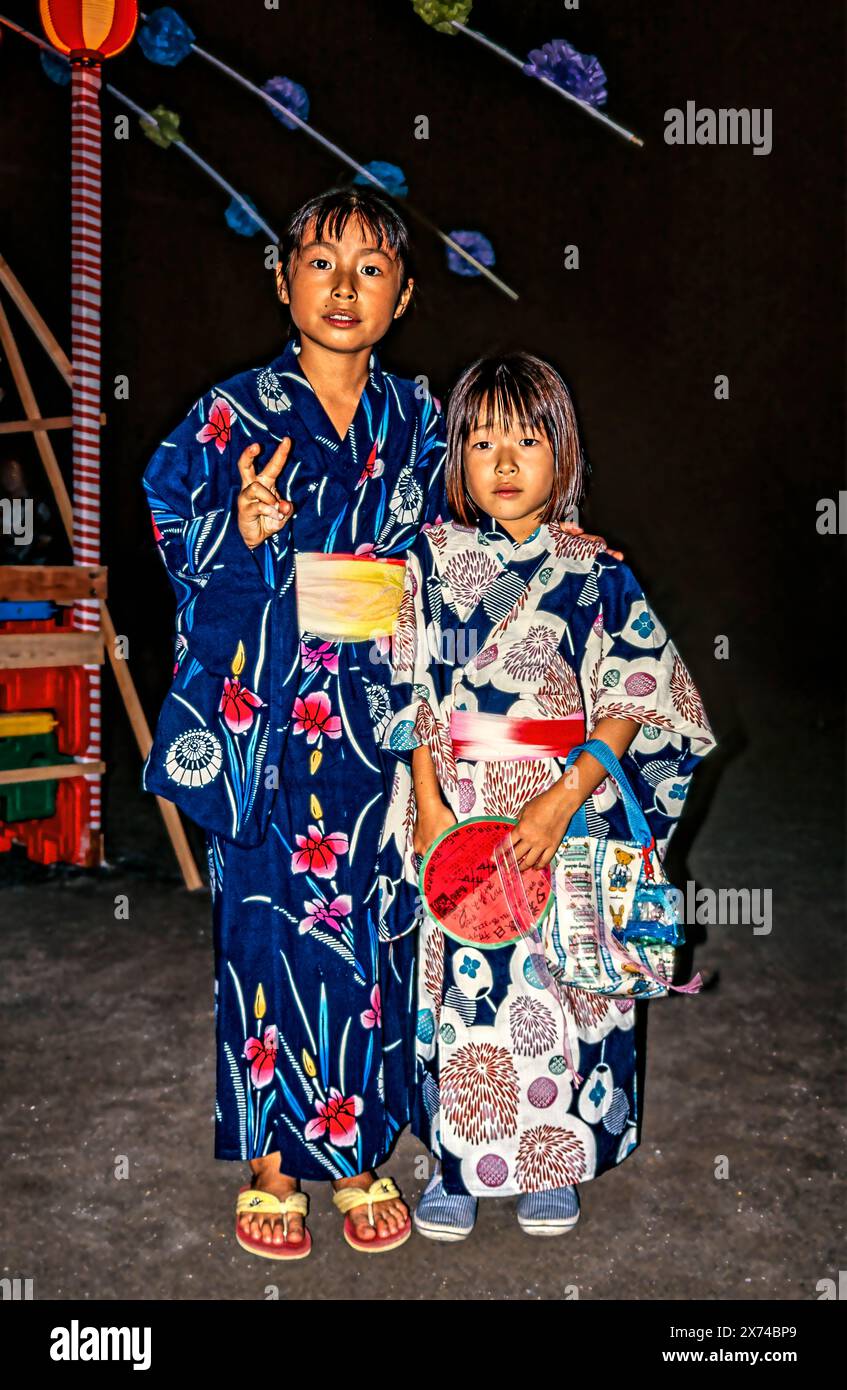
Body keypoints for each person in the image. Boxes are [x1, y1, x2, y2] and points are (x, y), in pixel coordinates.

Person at [142, 187, 616, 1259]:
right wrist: (242, 527)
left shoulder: (415, 418)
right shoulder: (229, 414)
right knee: (264, 932)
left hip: (385, 717)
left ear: (403, 296)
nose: (344, 286)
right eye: (321, 264)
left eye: (371, 269)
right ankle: (273, 1162)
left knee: (372, 930)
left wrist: (573, 555)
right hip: (264, 715)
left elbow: (485, 528)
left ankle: (354, 1154)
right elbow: (173, 514)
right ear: (282, 279)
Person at [379, 352, 716, 1240]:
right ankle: (455, 1162)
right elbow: (409, 694)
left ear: (560, 455)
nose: (501, 462)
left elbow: (635, 696)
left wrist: (565, 798)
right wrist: (427, 805)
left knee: (562, 982)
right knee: (461, 987)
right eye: (481, 441)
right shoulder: (429, 563)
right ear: (456, 456)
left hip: (560, 809)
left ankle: (549, 1162)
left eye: (526, 441)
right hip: (458, 802)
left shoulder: (598, 572)